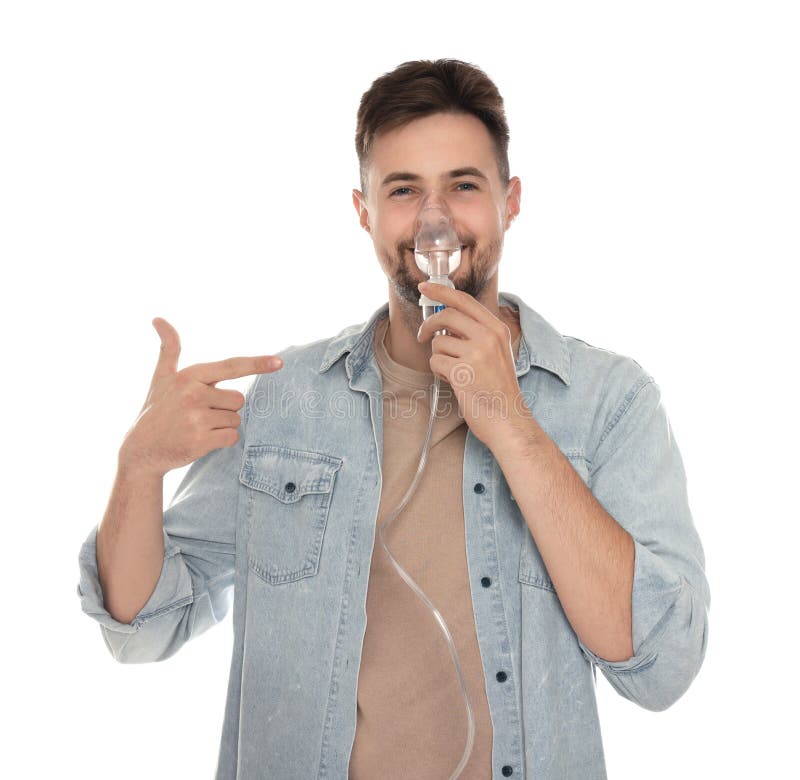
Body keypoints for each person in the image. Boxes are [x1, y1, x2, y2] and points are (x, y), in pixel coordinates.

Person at [77, 59, 710, 779]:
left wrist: (509, 423)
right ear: (364, 210)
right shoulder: (287, 403)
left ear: (510, 201)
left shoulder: (608, 401)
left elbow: (663, 667)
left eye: (464, 187)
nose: (435, 220)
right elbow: (141, 625)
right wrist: (139, 468)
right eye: (404, 190)